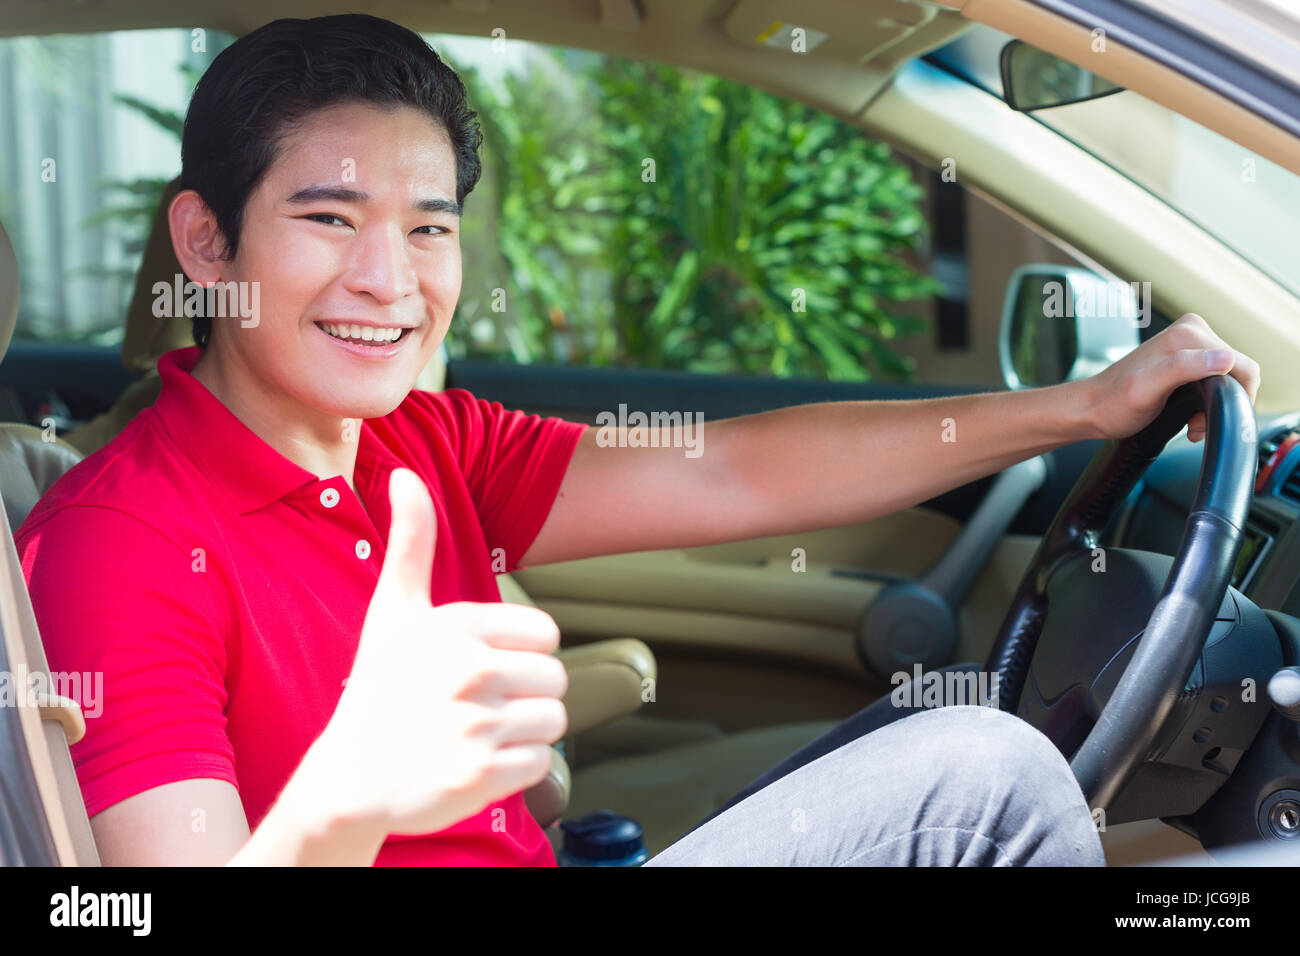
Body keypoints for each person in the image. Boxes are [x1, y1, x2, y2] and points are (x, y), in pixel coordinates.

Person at [16, 14, 1259, 867]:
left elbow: (734, 467)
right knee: (983, 778)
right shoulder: (113, 547)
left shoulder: (423, 441)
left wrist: (1082, 407)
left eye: (430, 228)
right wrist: (354, 793)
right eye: (329, 216)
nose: (388, 279)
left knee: (923, 733)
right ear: (204, 241)